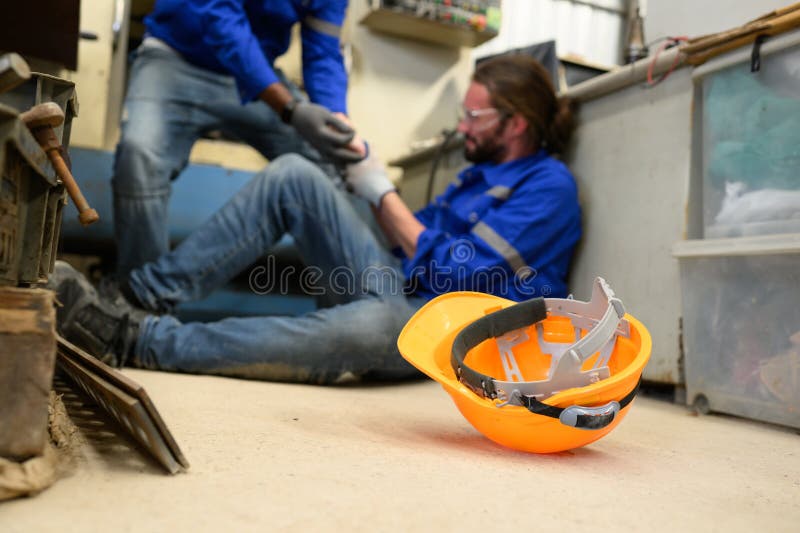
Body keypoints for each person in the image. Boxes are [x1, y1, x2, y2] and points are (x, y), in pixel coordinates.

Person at [52, 55, 582, 385]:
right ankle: (136, 301)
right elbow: (408, 250)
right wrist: (355, 188)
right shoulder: (475, 177)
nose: (462, 127)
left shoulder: (549, 188)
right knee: (295, 175)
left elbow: (461, 280)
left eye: (473, 117)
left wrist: (382, 193)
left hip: (463, 334)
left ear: (515, 123)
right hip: (406, 291)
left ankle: (132, 341)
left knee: (379, 325)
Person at [113, 0, 361, 278]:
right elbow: (219, 18)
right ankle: (138, 309)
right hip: (175, 56)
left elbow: (323, 54)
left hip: (253, 73)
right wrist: (291, 109)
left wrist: (337, 120)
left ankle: (349, 311)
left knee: (330, 166)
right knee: (139, 155)